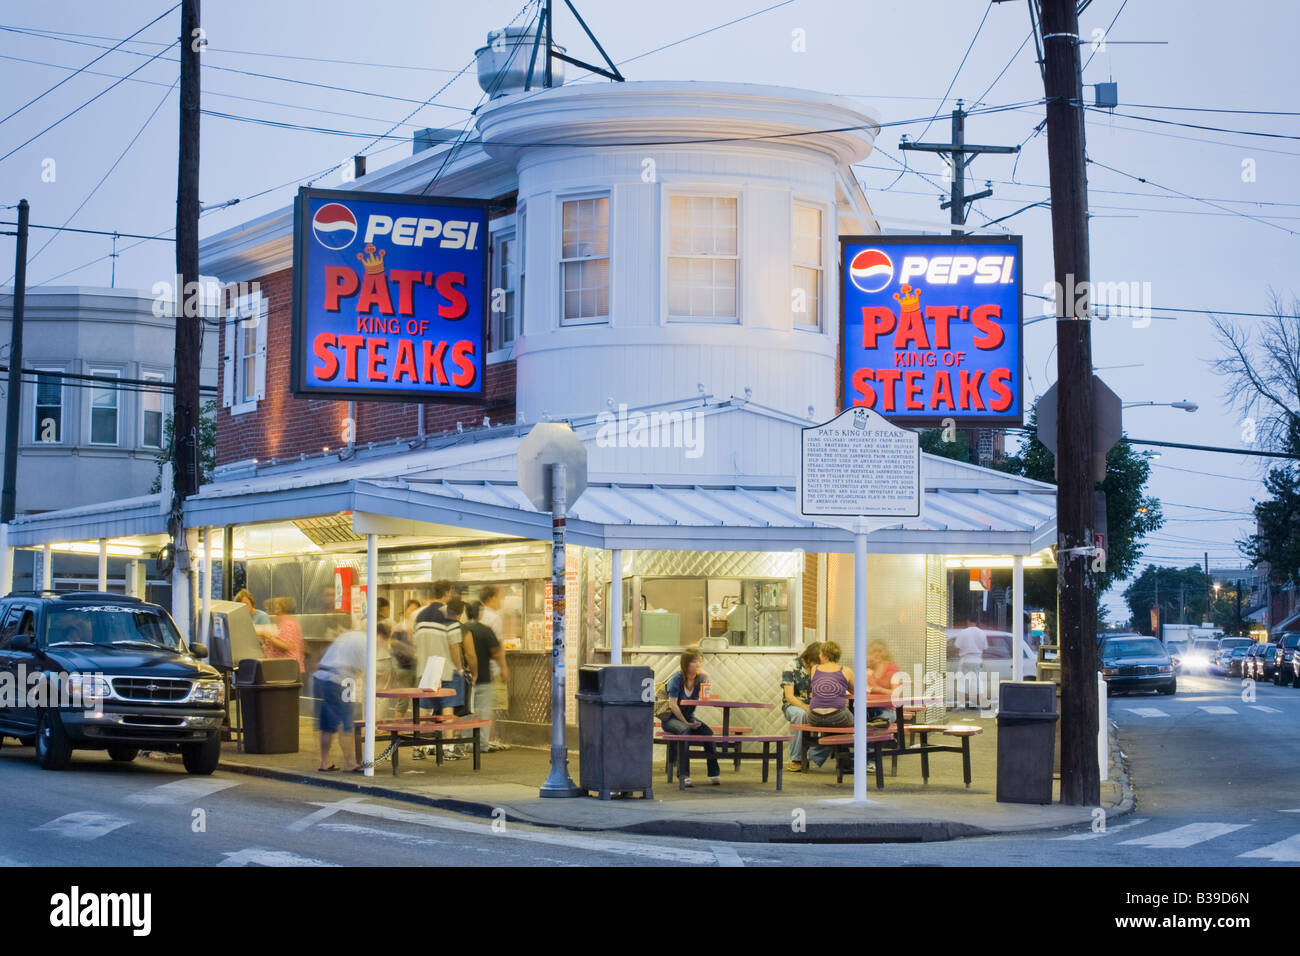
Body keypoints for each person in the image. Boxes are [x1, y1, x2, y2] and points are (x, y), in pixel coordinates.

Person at [413, 595, 477, 759]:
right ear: (461, 612)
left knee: (425, 708)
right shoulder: (453, 623)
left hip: (428, 669)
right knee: (449, 708)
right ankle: (448, 747)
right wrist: (460, 669)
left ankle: (419, 747)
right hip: (447, 669)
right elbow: (457, 648)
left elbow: (414, 643)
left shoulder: (421, 617)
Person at [312, 625, 366, 772]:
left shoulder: (347, 636)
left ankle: (324, 762)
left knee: (327, 724)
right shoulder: (365, 641)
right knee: (345, 722)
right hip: (340, 680)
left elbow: (322, 653)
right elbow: (367, 667)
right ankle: (350, 763)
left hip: (320, 678)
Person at [662, 648, 720, 787]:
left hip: (689, 717)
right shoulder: (677, 679)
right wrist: (686, 724)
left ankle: (713, 773)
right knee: (685, 732)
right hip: (671, 719)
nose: (698, 664)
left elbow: (705, 698)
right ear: (686, 664)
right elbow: (673, 705)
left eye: (700, 661)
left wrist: (706, 678)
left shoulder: (699, 679)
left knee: (708, 733)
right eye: (694, 661)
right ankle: (684, 775)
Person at [463, 601, 509, 751]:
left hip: (466, 680)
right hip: (484, 677)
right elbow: (496, 652)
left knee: (467, 712)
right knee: (484, 711)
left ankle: (467, 742)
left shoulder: (461, 629)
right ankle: (482, 744)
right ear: (479, 613)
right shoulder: (485, 630)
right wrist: (503, 668)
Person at [780, 642, 828, 772]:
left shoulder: (822, 669)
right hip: (793, 705)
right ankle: (796, 759)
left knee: (837, 718)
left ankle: (810, 755)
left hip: (816, 705)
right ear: (811, 658)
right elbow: (789, 696)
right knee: (800, 714)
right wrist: (805, 707)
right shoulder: (791, 667)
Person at [808, 640, 854, 733]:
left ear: (825, 655)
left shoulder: (814, 669)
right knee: (855, 719)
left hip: (814, 717)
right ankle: (843, 746)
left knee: (826, 721)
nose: (819, 656)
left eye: (820, 653)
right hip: (838, 717)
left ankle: (826, 746)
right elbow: (856, 691)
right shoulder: (846, 670)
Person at [264, 597, 305, 676]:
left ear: (282, 609)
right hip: (283, 668)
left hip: (287, 669)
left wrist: (269, 637)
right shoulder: (284, 623)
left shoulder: (288, 624)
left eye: (277, 607)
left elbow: (286, 646)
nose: (274, 611)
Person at [865, 640, 901, 728]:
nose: (877, 654)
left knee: (880, 721)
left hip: (887, 709)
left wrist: (879, 690)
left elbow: (896, 693)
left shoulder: (891, 668)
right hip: (869, 709)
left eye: (880, 651)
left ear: (885, 653)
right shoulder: (867, 670)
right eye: (873, 652)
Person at [953, 619, 989, 708]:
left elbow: (957, 646)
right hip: (977, 660)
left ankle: (962, 704)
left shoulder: (963, 632)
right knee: (978, 683)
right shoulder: (982, 633)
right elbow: (985, 647)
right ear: (976, 622)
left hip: (965, 660)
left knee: (963, 683)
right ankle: (978, 704)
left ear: (968, 622)